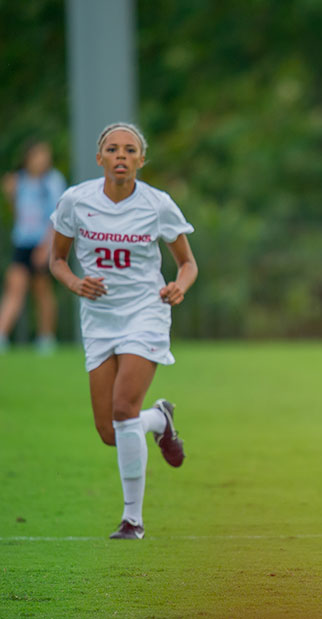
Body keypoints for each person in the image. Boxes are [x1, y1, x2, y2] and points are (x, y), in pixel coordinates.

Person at [48, 123, 198, 540]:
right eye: (112, 149)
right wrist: (76, 283)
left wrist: (178, 288)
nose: (120, 156)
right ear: (100, 159)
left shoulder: (157, 204)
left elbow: (188, 264)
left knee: (122, 410)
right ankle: (160, 419)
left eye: (129, 150)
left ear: (140, 160)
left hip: (144, 313)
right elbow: (56, 260)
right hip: (99, 319)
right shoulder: (75, 201)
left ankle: (132, 519)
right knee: (110, 433)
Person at [0, 140, 67, 353]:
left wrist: (47, 246)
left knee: (42, 291)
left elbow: (57, 216)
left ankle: (46, 338)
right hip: (23, 242)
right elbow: (19, 213)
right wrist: (10, 194)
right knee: (14, 288)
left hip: (43, 243)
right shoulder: (18, 181)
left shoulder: (52, 181)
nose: (42, 160)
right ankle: (2, 335)